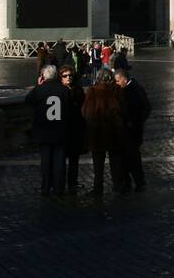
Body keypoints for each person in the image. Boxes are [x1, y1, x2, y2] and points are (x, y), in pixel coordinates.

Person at [25, 64, 69, 197]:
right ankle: (59, 188)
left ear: (43, 76)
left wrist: (38, 86)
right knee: (59, 161)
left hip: (44, 131)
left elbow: (28, 101)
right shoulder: (64, 90)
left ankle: (45, 187)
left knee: (46, 161)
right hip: (60, 130)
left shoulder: (40, 90)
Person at [82, 68, 126, 193]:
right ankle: (118, 185)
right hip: (113, 131)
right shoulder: (116, 91)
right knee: (115, 160)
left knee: (98, 162)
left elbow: (85, 111)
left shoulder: (92, 91)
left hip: (96, 131)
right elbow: (122, 110)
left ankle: (98, 187)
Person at [115, 68, 152, 190]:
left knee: (134, 157)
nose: (116, 83)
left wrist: (136, 122)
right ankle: (126, 181)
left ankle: (139, 181)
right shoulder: (122, 89)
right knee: (124, 157)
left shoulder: (136, 89)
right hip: (124, 130)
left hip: (133, 130)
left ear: (124, 80)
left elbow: (146, 108)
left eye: (118, 81)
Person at [59, 63, 86, 193]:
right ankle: (60, 182)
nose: (68, 77)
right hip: (63, 130)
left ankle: (72, 182)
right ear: (61, 77)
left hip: (76, 129)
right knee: (61, 159)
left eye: (70, 75)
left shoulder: (78, 89)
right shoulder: (58, 91)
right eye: (65, 76)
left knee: (74, 159)